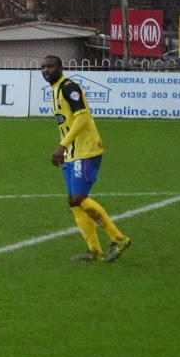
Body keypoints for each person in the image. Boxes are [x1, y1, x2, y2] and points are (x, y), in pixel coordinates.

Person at [39, 56, 131, 262]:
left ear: (61, 68)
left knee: (79, 197)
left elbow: (83, 116)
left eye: (50, 66)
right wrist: (65, 149)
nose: (46, 70)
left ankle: (119, 238)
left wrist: (61, 146)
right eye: (43, 67)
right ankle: (95, 251)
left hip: (87, 150)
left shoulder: (69, 87)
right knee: (73, 201)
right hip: (72, 153)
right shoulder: (54, 89)